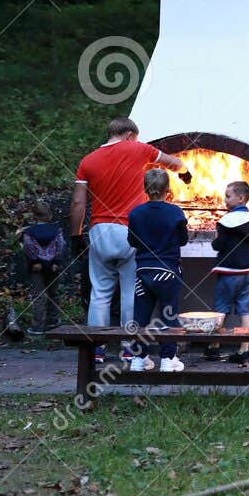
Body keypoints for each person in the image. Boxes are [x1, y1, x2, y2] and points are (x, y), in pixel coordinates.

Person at [69, 117, 186, 363]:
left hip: (100, 230)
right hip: (129, 229)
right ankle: (128, 347)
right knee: (131, 291)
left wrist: (76, 234)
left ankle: (96, 349)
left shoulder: (87, 161)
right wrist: (185, 173)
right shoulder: (139, 149)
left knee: (100, 292)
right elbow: (175, 163)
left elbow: (78, 202)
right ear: (130, 135)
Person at [125, 168, 189, 372]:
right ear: (167, 189)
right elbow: (183, 240)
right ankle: (168, 358)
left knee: (141, 316)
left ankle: (138, 358)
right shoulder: (175, 212)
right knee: (168, 314)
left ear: (145, 188)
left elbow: (132, 241)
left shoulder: (135, 213)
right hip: (168, 271)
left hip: (143, 271)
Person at [208, 180, 249, 366]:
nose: (224, 199)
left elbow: (219, 245)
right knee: (244, 310)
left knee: (221, 310)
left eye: (228, 196)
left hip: (229, 272)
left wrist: (215, 239)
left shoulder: (225, 222)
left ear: (241, 198)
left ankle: (214, 346)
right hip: (248, 272)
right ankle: (244, 349)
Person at [18, 201, 66, 335]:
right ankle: (53, 321)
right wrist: (57, 261)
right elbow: (61, 245)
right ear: (50, 215)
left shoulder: (29, 232)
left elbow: (28, 247)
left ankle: (38, 326)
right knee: (53, 294)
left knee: (38, 296)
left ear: (34, 216)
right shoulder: (57, 230)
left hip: (36, 268)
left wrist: (35, 261)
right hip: (53, 266)